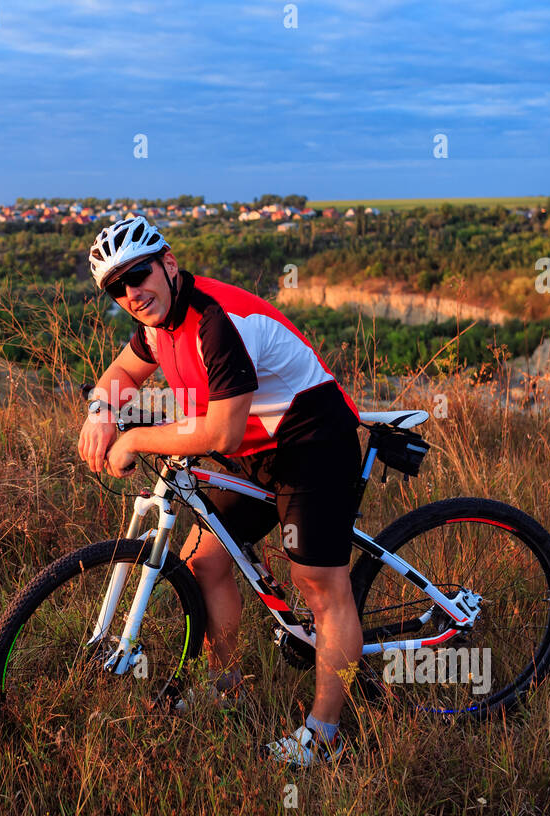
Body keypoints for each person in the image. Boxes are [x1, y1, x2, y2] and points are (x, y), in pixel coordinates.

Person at [77, 215, 364, 767]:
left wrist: (137, 435)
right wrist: (99, 411)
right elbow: (124, 372)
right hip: (255, 453)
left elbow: (222, 431)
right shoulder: (158, 323)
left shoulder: (216, 320)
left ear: (169, 265)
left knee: (319, 584)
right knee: (205, 564)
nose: (132, 292)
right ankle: (226, 687)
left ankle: (325, 736)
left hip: (311, 442)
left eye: (139, 274)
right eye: (117, 287)